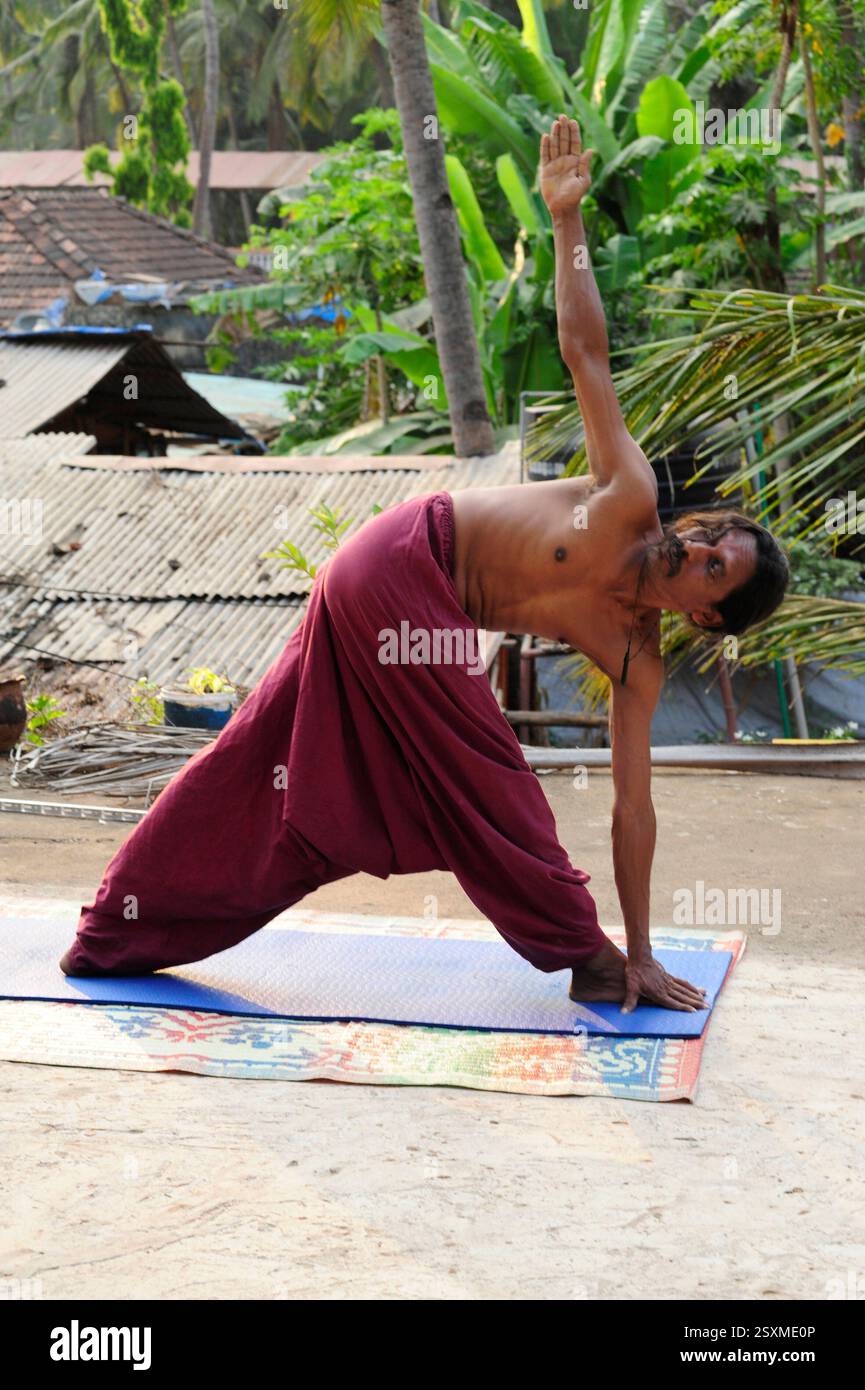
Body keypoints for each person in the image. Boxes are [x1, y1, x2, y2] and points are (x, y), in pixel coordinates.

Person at [59, 116, 788, 1015]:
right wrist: (565, 221)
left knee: (260, 761)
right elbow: (584, 351)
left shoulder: (636, 661)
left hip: (411, 619)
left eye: (719, 569)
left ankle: (112, 934)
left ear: (708, 616)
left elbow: (632, 813)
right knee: (494, 781)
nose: (704, 548)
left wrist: (645, 946)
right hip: (401, 559)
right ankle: (582, 957)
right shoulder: (627, 496)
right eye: (716, 534)